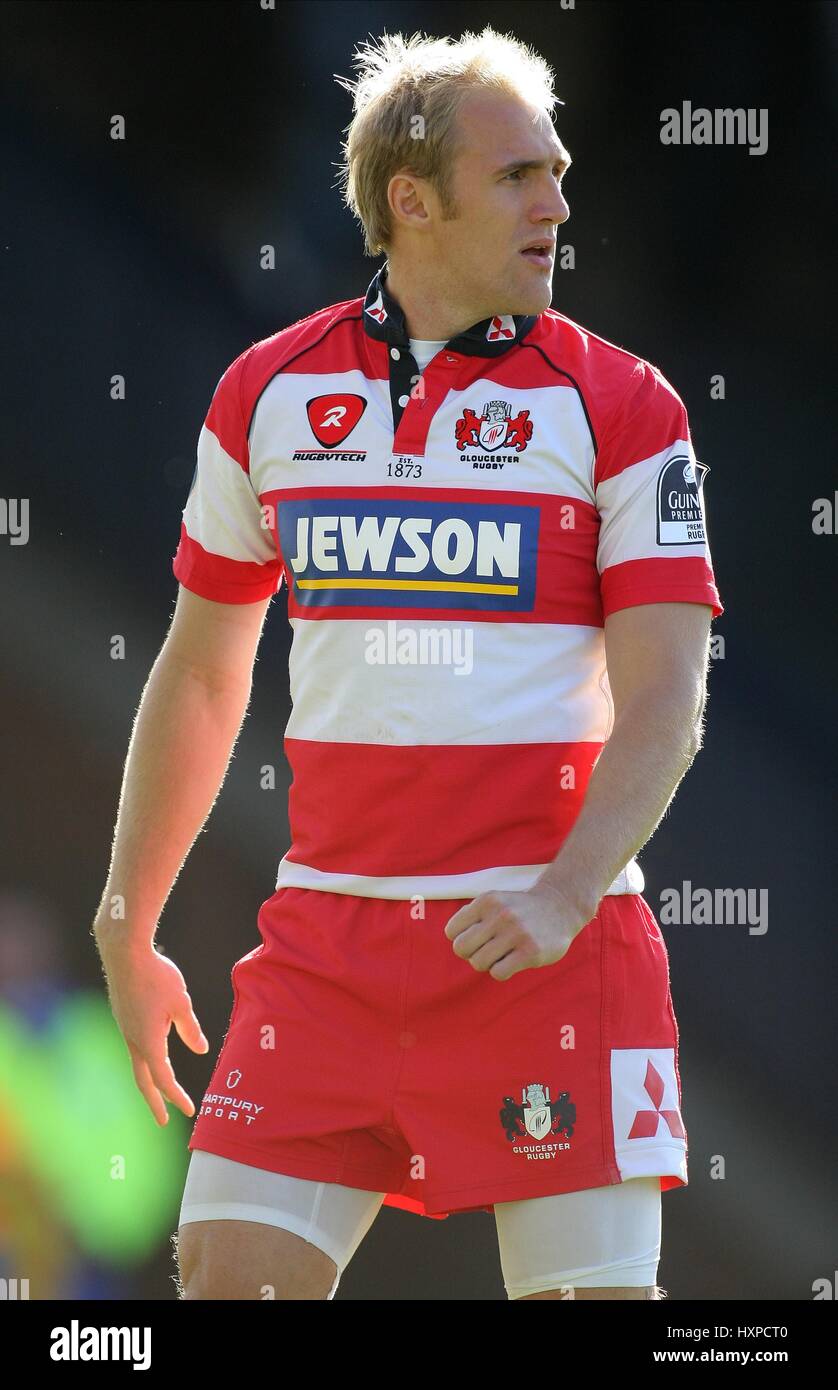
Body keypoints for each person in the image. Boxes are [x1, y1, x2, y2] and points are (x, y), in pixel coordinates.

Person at [93, 27, 723, 1301]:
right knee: (226, 1285)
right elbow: (204, 675)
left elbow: (667, 702)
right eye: (517, 177)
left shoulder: (629, 406)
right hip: (324, 952)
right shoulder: (264, 394)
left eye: (557, 173)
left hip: (544, 948)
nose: (555, 202)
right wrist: (127, 912)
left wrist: (559, 896)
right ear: (410, 200)